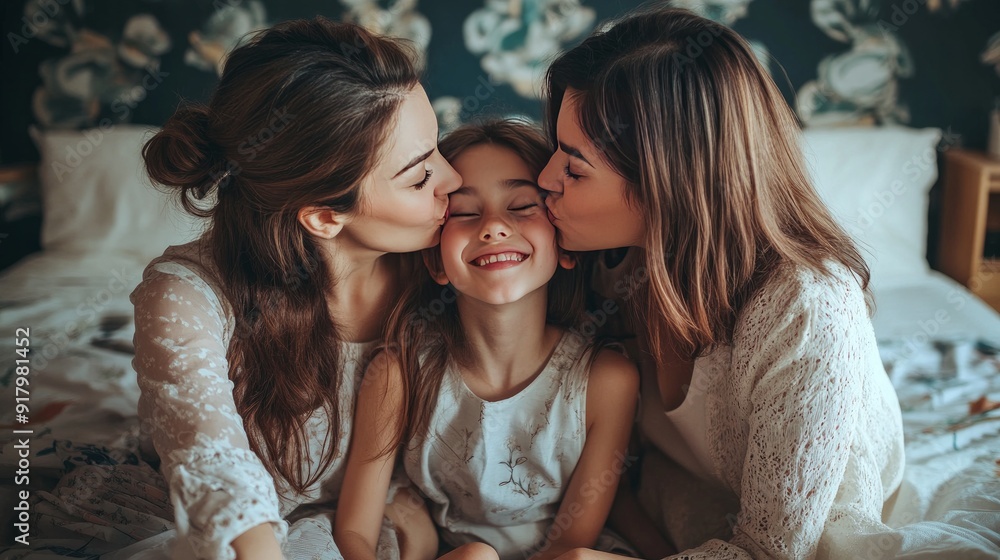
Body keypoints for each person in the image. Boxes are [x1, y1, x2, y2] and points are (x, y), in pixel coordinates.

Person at [36, 17, 462, 560]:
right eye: (420, 176)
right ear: (325, 217)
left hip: (372, 511)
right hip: (228, 526)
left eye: (438, 149)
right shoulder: (187, 296)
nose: (454, 180)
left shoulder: (447, 268)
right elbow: (213, 461)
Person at [537, 7, 905, 559]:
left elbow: (770, 550)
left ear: (670, 183)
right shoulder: (615, 262)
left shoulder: (806, 310)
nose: (546, 180)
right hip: (679, 493)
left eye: (574, 168)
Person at [333, 120, 640, 560]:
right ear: (436, 262)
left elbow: (573, 542)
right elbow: (354, 531)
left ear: (565, 245)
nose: (494, 227)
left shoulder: (608, 380)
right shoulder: (399, 375)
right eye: (464, 213)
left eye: (520, 206)